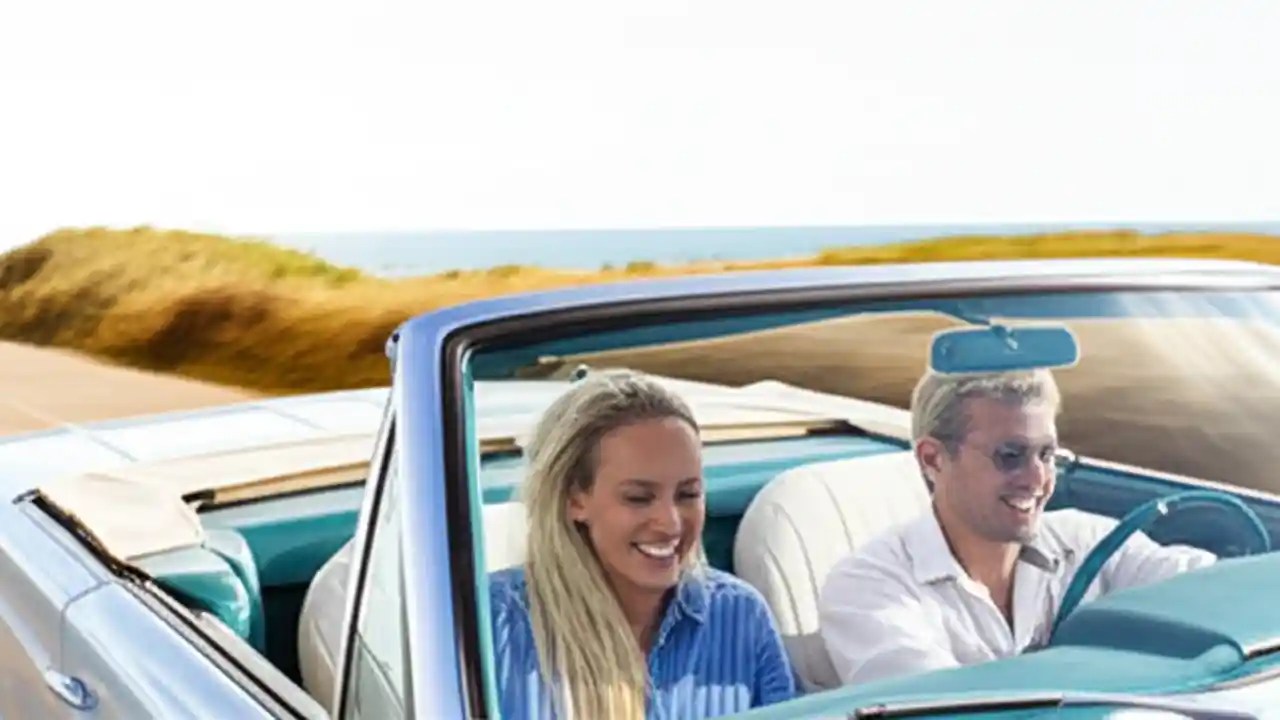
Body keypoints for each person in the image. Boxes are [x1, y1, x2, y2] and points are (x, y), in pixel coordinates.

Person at [818, 367, 1216, 686]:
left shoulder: (1088, 544)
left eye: (1047, 454)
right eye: (1011, 455)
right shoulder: (869, 587)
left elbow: (1213, 589)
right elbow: (943, 709)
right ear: (933, 459)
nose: (1037, 478)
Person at [489, 369, 797, 720]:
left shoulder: (741, 616)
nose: (670, 523)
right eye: (638, 497)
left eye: (688, 494)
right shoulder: (493, 625)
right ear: (575, 499)